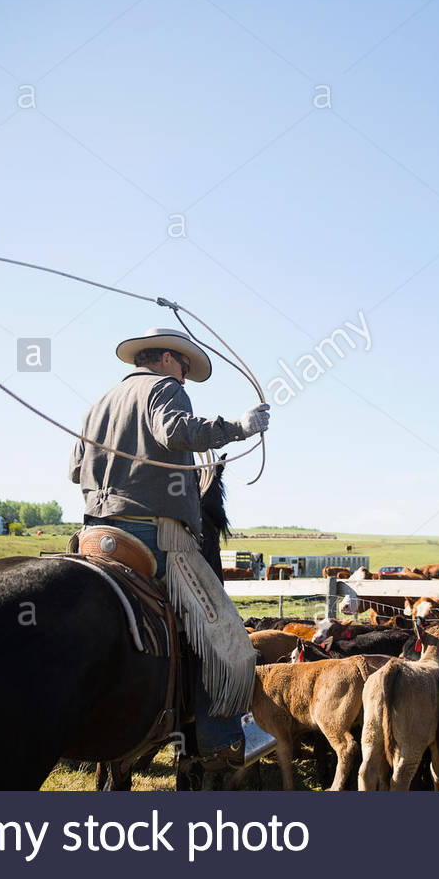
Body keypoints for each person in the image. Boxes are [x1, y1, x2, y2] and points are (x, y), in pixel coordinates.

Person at [69, 326, 270, 767]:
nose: (184, 376)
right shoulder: (163, 388)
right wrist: (237, 427)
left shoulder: (97, 405)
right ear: (164, 359)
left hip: (94, 536)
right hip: (153, 535)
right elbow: (176, 431)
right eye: (183, 366)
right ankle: (222, 738)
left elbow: (75, 469)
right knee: (224, 632)